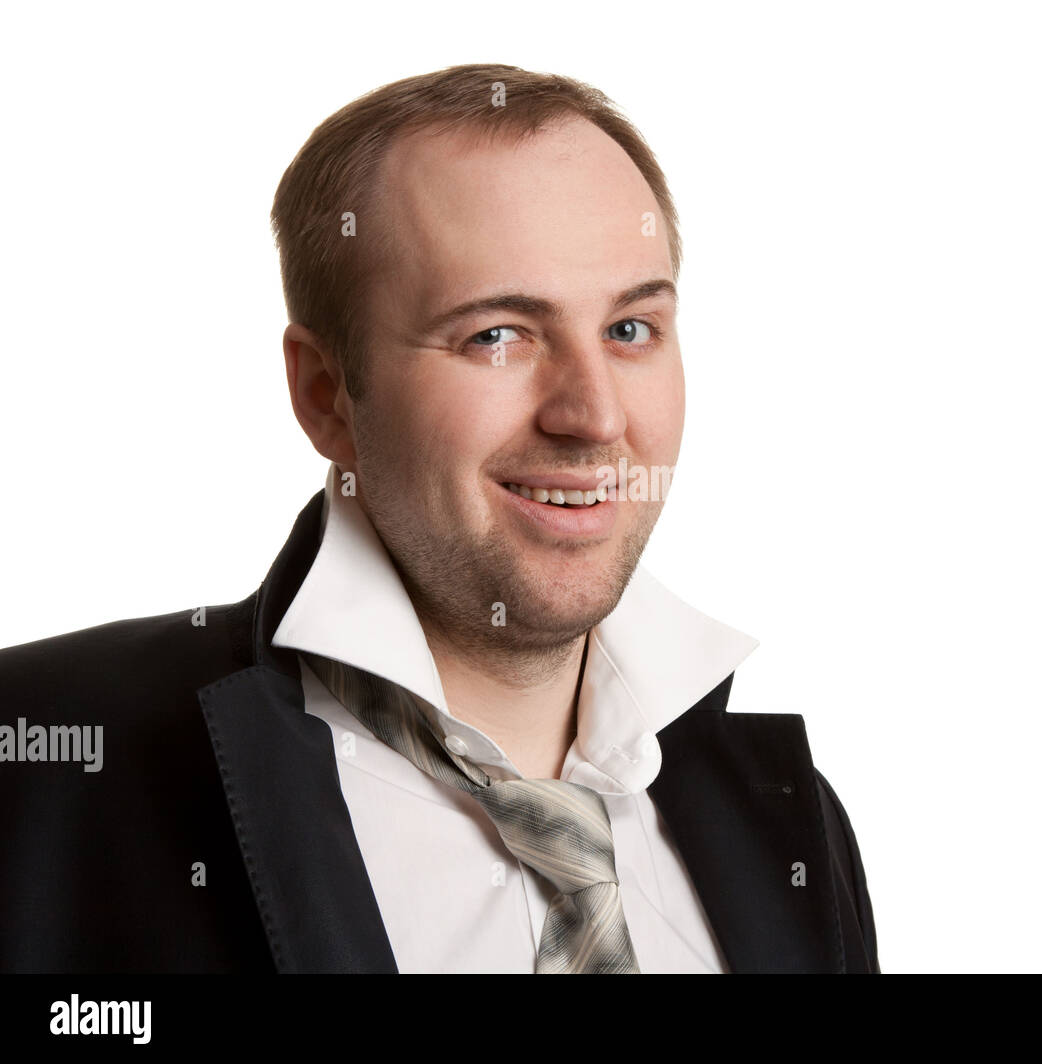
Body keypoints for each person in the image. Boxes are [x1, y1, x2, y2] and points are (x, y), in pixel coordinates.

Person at [0, 63, 880, 973]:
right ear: (326, 393)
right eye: (496, 335)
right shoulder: (44, 768)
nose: (595, 414)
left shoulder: (793, 824)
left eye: (630, 330)